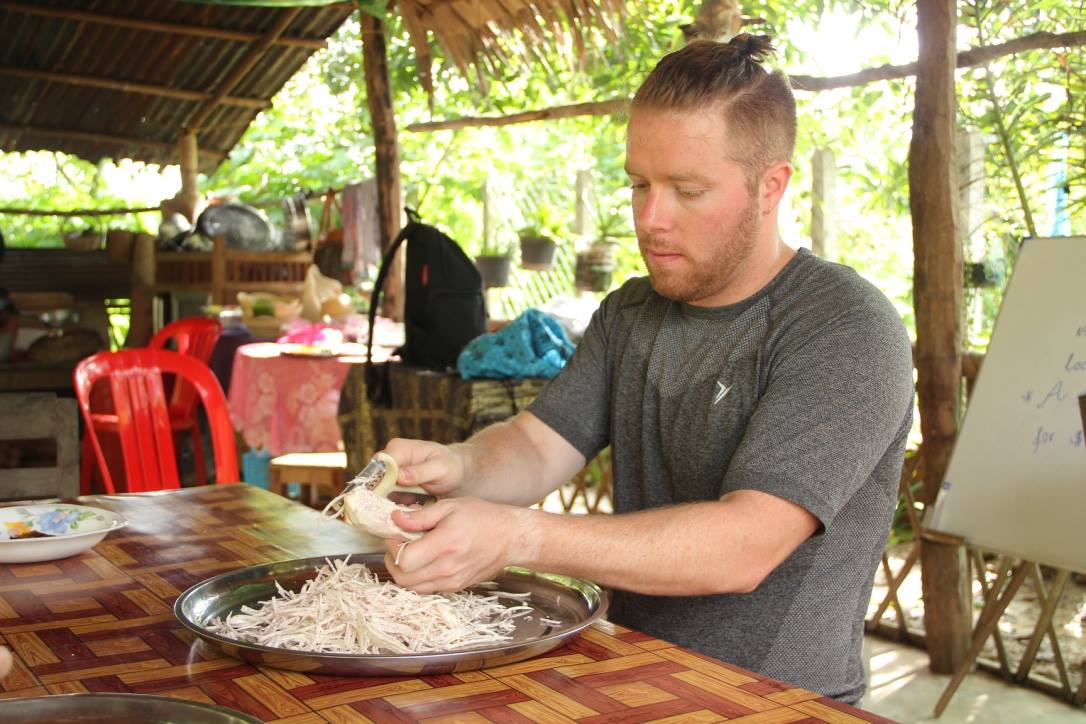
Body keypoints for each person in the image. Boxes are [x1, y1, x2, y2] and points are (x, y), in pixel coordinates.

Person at [376, 34, 914, 704]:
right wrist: (460, 467)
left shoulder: (843, 327)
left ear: (771, 185)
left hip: (777, 704)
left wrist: (517, 533)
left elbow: (745, 545)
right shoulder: (633, 311)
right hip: (628, 676)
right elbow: (537, 444)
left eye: (688, 190)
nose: (651, 219)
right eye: (639, 184)